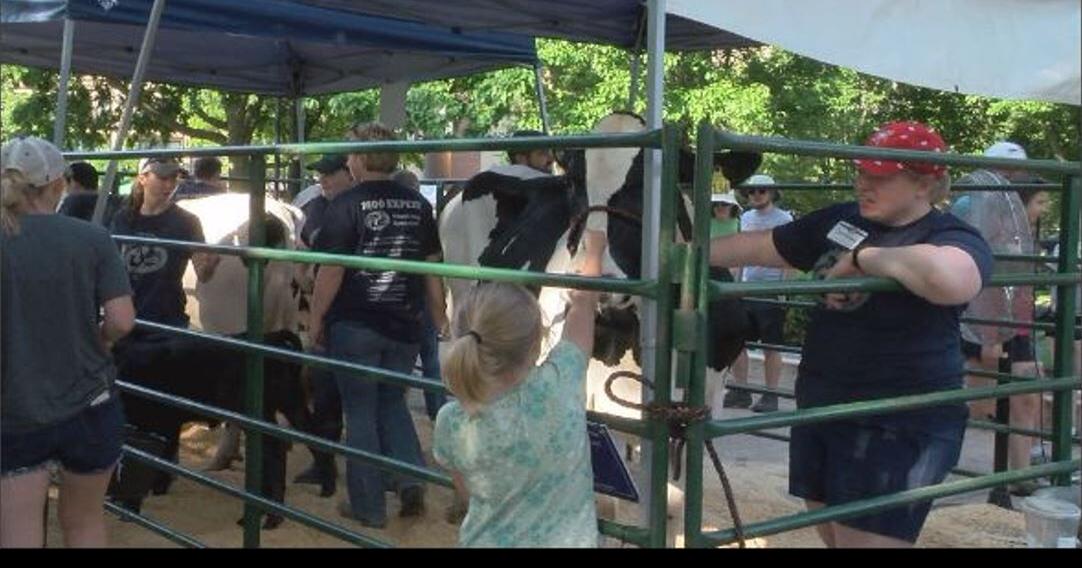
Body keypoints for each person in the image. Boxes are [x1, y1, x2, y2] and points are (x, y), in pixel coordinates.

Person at [709, 121, 993, 547]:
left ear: (924, 184)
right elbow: (760, 246)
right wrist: (668, 253)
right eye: (861, 172)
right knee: (836, 537)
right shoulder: (841, 219)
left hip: (896, 420)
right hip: (823, 407)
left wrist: (863, 259)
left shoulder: (950, 235)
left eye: (880, 176)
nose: (864, 184)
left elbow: (952, 280)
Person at [308, 122, 447, 528]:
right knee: (391, 401)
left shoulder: (345, 205)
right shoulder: (418, 204)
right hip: (405, 322)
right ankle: (410, 480)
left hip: (356, 323)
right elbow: (432, 269)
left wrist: (315, 320)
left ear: (359, 159)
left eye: (351, 153)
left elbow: (331, 272)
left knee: (360, 413)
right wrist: (439, 315)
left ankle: (368, 507)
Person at [433, 229, 607, 548]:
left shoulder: (451, 421)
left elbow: (467, 494)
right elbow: (583, 307)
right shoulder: (559, 383)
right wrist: (595, 251)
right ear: (537, 342)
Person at [1, 136, 136, 547]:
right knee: (84, 522)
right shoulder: (91, 238)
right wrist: (100, 341)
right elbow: (122, 321)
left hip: (14, 407)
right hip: (91, 402)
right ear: (59, 183)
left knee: (18, 529)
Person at [955, 142, 1049, 494]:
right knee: (975, 401)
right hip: (985, 319)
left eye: (1015, 169)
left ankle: (1020, 476)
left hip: (1015, 319)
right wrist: (989, 332)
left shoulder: (1018, 221)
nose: (1010, 175)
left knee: (1025, 392)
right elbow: (974, 270)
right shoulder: (973, 206)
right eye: (1005, 168)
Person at [290, 154, 354, 497]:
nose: (324, 180)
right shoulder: (314, 208)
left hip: (351, 310)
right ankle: (324, 463)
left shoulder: (357, 205)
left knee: (357, 393)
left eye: (331, 173)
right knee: (325, 392)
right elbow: (301, 251)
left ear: (349, 172)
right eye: (321, 174)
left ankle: (377, 470)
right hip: (324, 311)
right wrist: (305, 279)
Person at [724, 173, 793, 413]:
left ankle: (771, 394)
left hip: (770, 290)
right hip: (747, 289)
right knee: (737, 341)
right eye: (751, 191)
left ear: (772, 193)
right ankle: (741, 390)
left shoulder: (784, 219)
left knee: (771, 346)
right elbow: (741, 253)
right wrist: (735, 285)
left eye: (761, 191)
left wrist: (783, 290)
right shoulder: (745, 218)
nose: (756, 195)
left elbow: (789, 256)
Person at [391, 167, 448, 423]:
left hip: (399, 295)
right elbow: (434, 260)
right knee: (430, 358)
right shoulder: (423, 211)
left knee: (400, 360)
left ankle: (396, 409)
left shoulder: (392, 213)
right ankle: (437, 409)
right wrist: (440, 310)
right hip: (423, 293)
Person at [56, 161, 121, 225]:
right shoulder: (113, 202)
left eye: (65, 184)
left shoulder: (71, 203)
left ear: (74, 183)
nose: (65, 189)